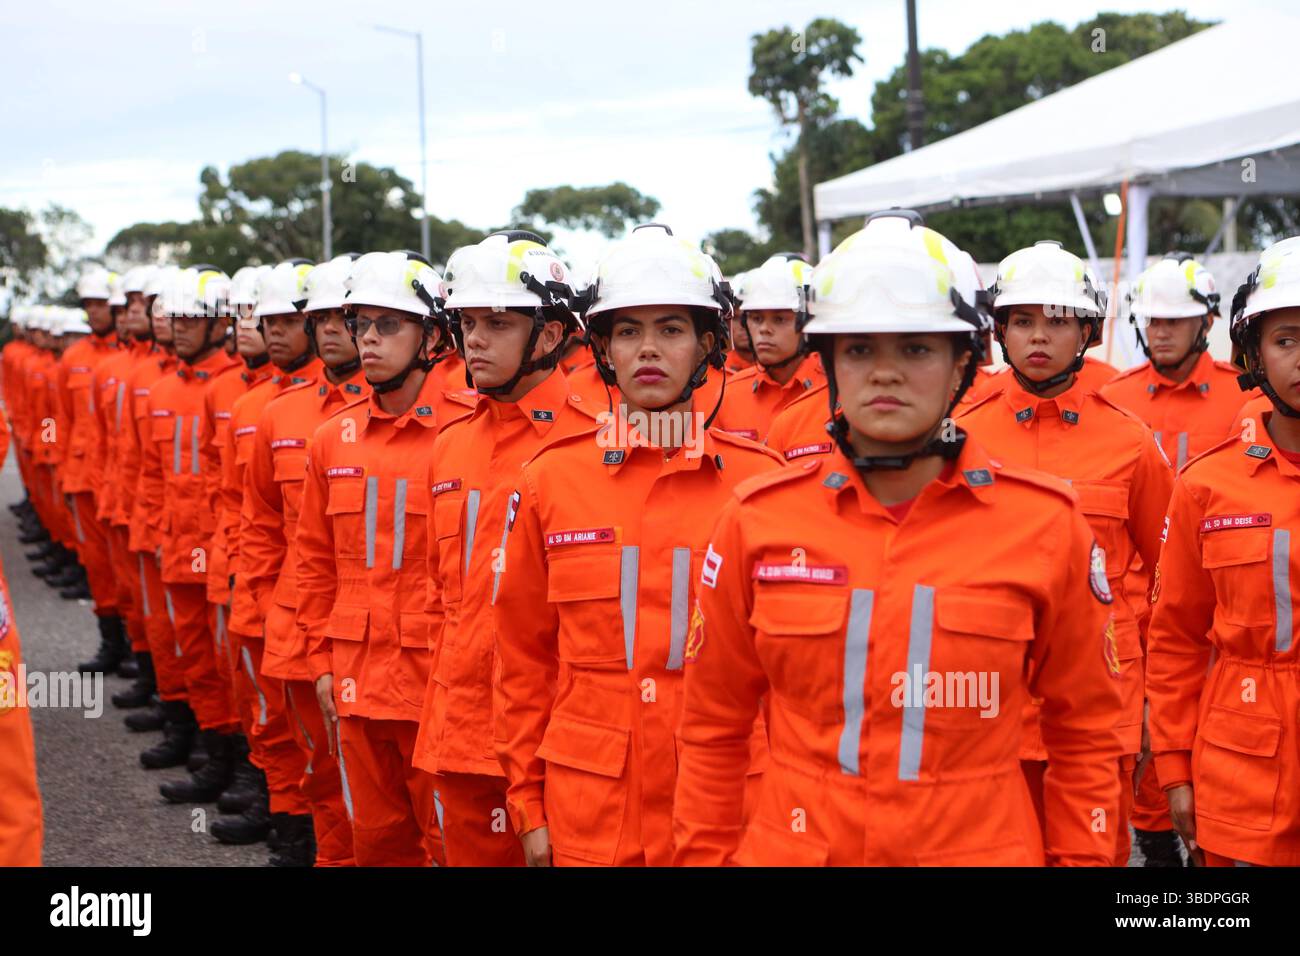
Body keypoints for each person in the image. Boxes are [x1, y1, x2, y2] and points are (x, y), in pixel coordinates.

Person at [672, 216, 1123, 866]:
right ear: (828, 360)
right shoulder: (757, 522)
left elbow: (1084, 734)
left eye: (915, 348)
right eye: (859, 349)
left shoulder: (1046, 526)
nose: (885, 373)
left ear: (963, 363)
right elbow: (714, 727)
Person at [492, 224, 780, 867]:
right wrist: (529, 806)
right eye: (628, 331)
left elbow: (793, 680)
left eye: (671, 330)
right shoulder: (549, 481)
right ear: (602, 349)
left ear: (708, 345)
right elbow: (521, 660)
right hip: (593, 811)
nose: (649, 349)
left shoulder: (762, 485)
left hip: (732, 809)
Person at [957, 240, 1173, 866]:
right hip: (982, 699)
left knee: (1094, 855)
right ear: (998, 331)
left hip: (1100, 700)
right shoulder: (959, 434)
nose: (1039, 336)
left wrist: (1155, 699)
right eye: (1022, 320)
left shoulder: (1130, 441)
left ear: (1087, 330)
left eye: (1057, 319)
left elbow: (1172, 581)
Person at [409, 231, 596, 866]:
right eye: (466, 323)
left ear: (547, 335)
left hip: (554, 740)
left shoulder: (596, 445)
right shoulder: (451, 444)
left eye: (496, 322)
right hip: (456, 730)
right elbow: (444, 595)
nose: (475, 341)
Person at [296, 251, 475, 866]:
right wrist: (319, 661)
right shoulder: (331, 440)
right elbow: (313, 563)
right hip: (355, 684)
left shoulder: (468, 435)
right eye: (361, 325)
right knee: (375, 847)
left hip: (440, 690)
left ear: (433, 336)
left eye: (388, 326)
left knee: (451, 848)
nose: (368, 340)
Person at [1147, 237, 1300, 867]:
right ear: (1254, 354)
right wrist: (1176, 766)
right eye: (1287, 338)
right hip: (1243, 765)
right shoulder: (1207, 486)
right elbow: (1178, 636)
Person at [1098, 252, 1253, 865]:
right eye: (1153, 321)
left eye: (1175, 321)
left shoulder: (1241, 396)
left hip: (1219, 611)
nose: (1161, 331)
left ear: (1205, 323)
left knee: (1215, 764)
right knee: (1148, 781)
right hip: (1134, 615)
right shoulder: (1115, 399)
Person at [240, 255, 368, 865]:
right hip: (302, 626)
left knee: (389, 796)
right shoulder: (280, 415)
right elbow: (261, 527)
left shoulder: (438, 417)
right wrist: (269, 607)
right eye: (319, 318)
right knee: (321, 767)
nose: (335, 329)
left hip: (385, 640)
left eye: (348, 316)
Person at [213, 260, 320, 854]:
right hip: (268, 592)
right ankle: (285, 819)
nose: (272, 330)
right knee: (269, 713)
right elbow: (245, 507)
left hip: (330, 609)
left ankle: (301, 825)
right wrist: (248, 582)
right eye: (265, 319)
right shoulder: (263, 407)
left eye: (287, 320)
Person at [137, 267, 243, 802]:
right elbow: (152, 471)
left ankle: (245, 770)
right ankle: (209, 754)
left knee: (230, 664)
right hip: (177, 544)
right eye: (172, 317)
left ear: (219, 323)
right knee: (194, 653)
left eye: (189, 319)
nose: (176, 327)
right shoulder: (159, 389)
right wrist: (155, 530)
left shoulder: (236, 387)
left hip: (219, 547)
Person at [713, 252, 825, 443]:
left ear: (807, 322)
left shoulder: (834, 390)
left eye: (779, 319)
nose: (764, 329)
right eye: (756, 318)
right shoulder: (729, 394)